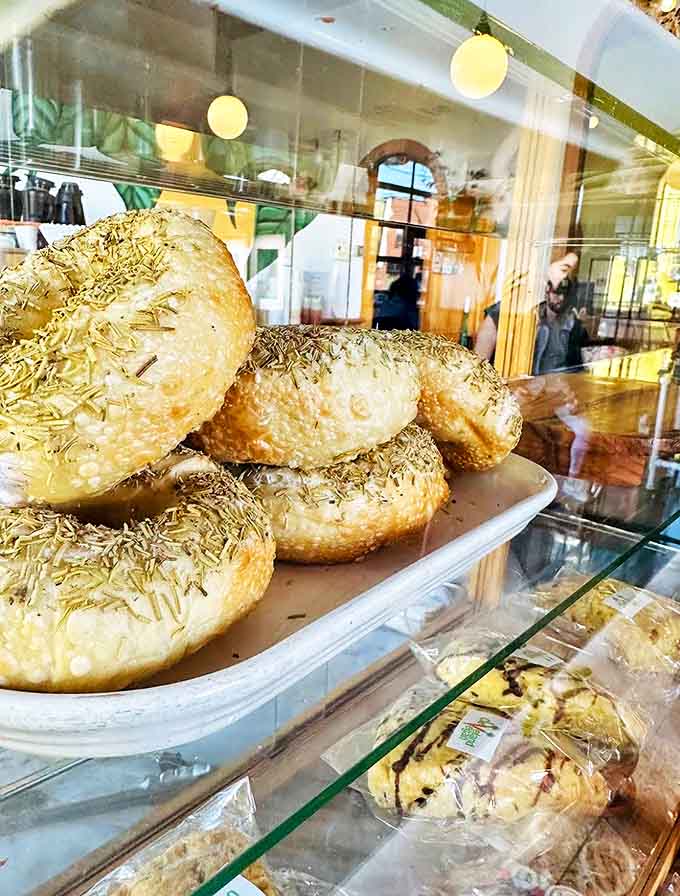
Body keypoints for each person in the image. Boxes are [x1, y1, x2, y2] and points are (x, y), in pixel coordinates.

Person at [475, 250, 586, 372]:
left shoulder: (570, 323)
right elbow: (478, 370)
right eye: (564, 270)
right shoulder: (503, 313)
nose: (567, 278)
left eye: (572, 273)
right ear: (546, 268)